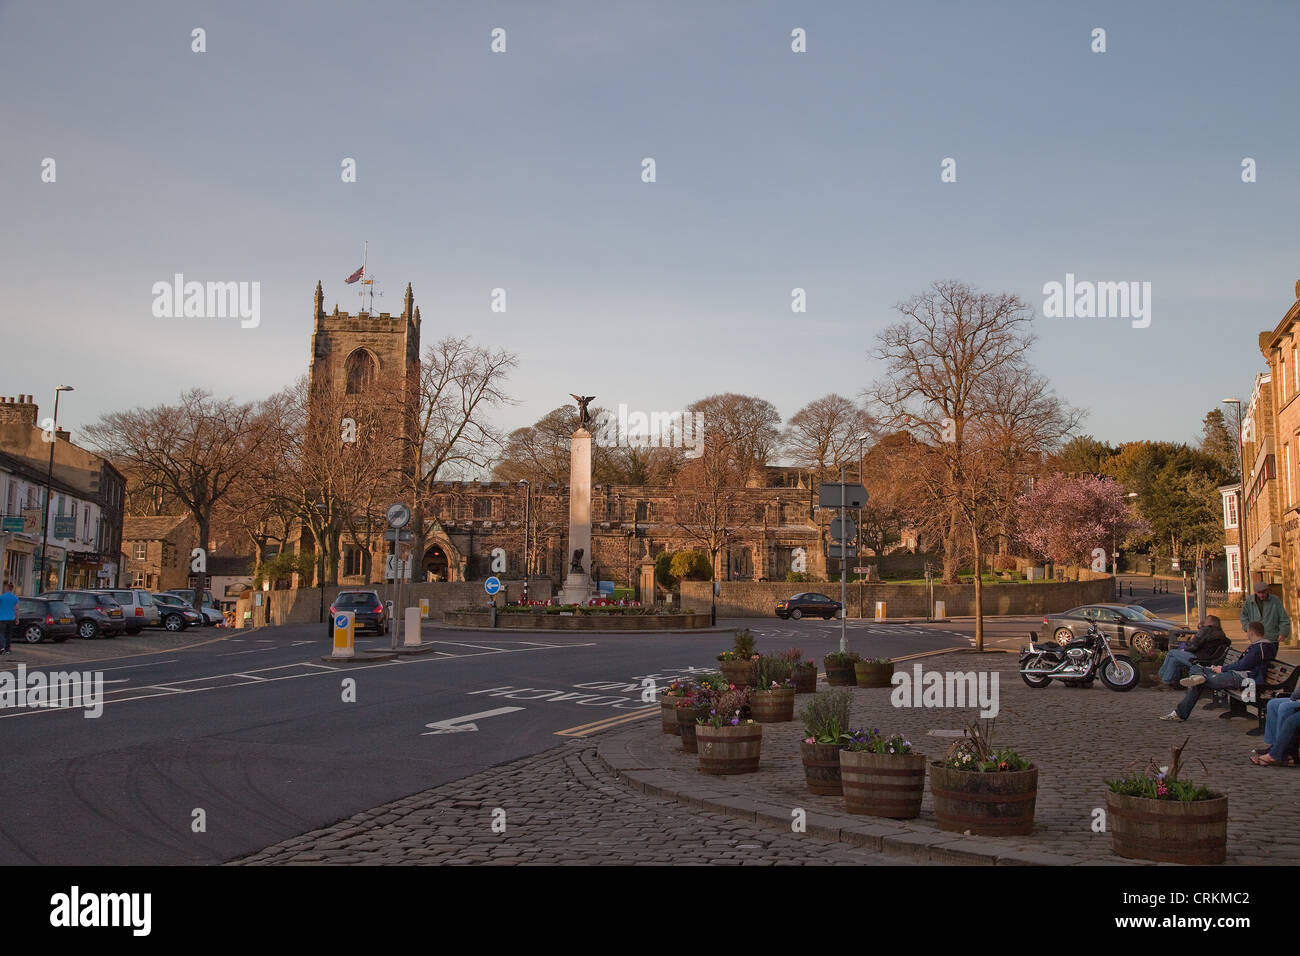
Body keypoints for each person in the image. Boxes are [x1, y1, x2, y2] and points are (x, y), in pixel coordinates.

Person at [1161, 621, 1276, 722]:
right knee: (1196, 667)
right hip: (1235, 675)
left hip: (1243, 679)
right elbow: (1243, 664)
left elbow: (1243, 665)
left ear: (1251, 632)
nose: (1246, 634)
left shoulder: (1260, 647)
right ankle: (1198, 678)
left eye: (1247, 632)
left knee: (1198, 682)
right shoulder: (1258, 646)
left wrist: (1222, 669)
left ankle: (1180, 713)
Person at [1159, 615, 1231, 686]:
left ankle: (1161, 676)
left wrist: (1184, 648)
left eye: (1206, 620)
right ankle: (1166, 681)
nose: (1204, 621)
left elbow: (1194, 646)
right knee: (1174, 660)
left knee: (1172, 652)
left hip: (1199, 659)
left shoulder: (1206, 630)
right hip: (1210, 659)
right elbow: (1228, 642)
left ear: (1210, 623)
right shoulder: (1221, 633)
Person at [0, 582, 17, 655]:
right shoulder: (15, 598)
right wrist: (17, 618)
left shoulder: (1, 597)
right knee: (9, 634)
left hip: (2, 618)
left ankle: (1, 648)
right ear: (12, 589)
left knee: (1, 634)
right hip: (11, 618)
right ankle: (7, 649)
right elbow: (16, 609)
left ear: (6, 588)